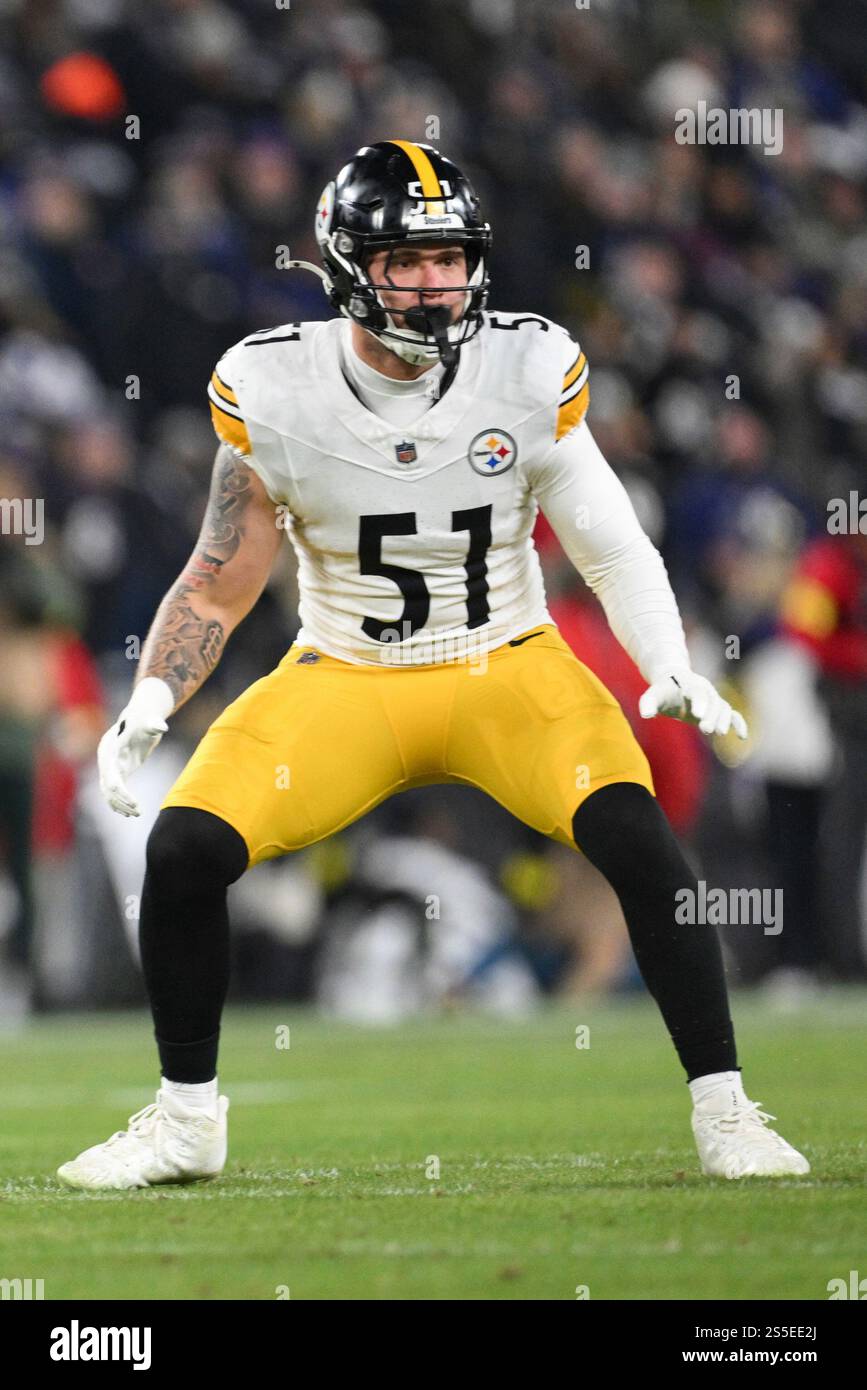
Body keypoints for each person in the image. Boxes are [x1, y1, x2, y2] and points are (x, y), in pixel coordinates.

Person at [57, 141, 808, 1188]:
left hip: (507, 664)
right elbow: (219, 578)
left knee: (640, 840)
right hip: (345, 677)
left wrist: (666, 659)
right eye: (408, 261)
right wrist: (150, 695)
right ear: (350, 266)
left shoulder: (525, 366)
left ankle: (726, 1111)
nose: (436, 283)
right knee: (184, 851)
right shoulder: (274, 388)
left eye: (450, 258)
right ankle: (188, 1121)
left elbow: (610, 543)